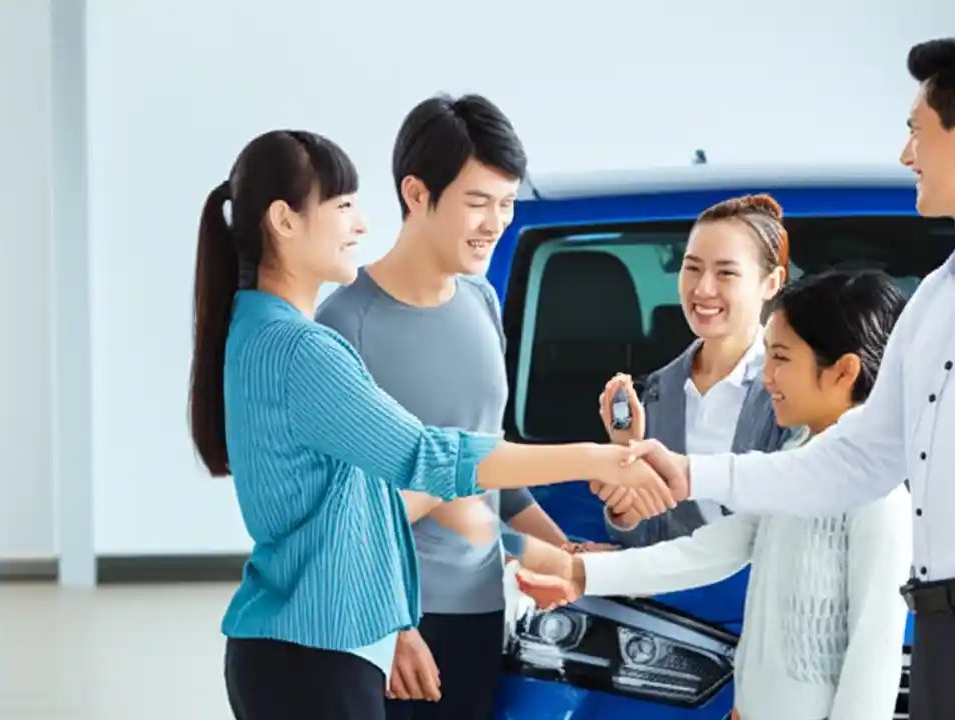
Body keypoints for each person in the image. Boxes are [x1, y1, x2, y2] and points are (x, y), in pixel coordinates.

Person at [623, 35, 955, 720]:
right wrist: (693, 474)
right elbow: (856, 461)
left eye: (916, 133)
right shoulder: (932, 300)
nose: (906, 156)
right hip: (944, 638)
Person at [188, 129, 675, 720]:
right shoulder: (305, 348)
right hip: (313, 656)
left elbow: (365, 506)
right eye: (343, 206)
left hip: (312, 646)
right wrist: (593, 458)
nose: (361, 225)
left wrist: (555, 550)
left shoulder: (260, 331)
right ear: (285, 221)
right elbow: (426, 457)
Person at [519, 269, 914, 720]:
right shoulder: (793, 461)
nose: (765, 377)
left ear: (843, 371)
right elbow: (706, 552)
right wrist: (579, 573)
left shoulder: (875, 495)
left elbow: (875, 654)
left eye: (781, 358)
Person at [315, 94, 572, 720]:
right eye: (478, 203)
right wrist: (396, 629)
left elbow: (492, 462)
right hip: (391, 627)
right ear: (416, 193)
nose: (496, 222)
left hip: (481, 612)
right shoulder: (345, 322)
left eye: (506, 204)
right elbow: (337, 514)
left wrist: (563, 556)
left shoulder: (482, 303)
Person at [591, 193, 795, 546]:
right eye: (693, 267)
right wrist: (627, 510)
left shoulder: (794, 389)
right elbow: (651, 541)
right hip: (681, 600)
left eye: (726, 272)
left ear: (771, 283)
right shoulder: (657, 392)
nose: (703, 289)